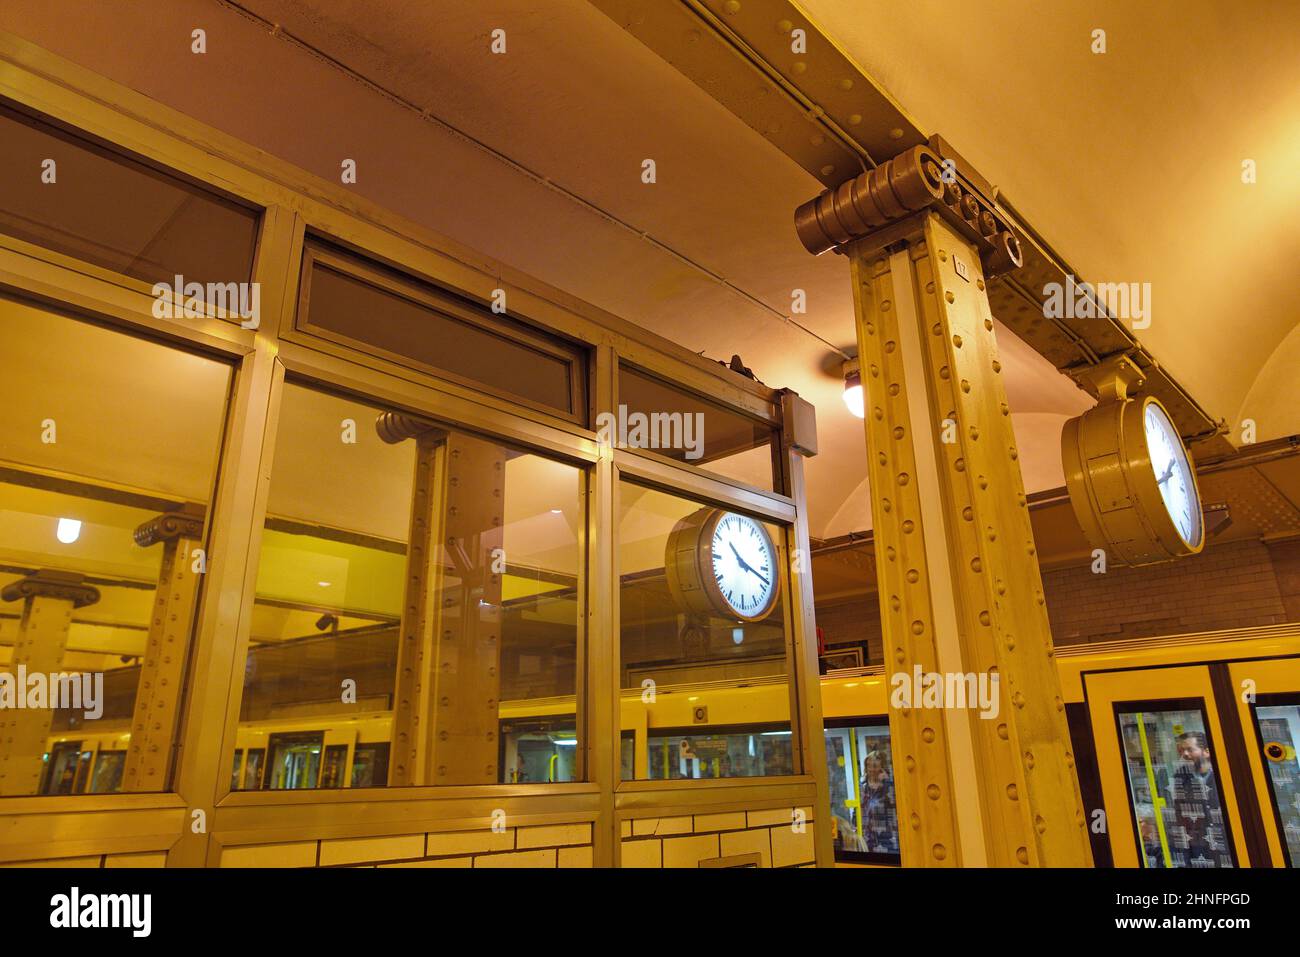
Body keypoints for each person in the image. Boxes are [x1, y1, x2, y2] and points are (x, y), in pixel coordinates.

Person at [1169, 730, 1227, 867]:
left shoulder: (1225, 773)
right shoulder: (1180, 776)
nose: (1185, 754)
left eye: (1190, 750)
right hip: (1198, 845)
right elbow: (1179, 812)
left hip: (1225, 843)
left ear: (1206, 751)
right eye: (1182, 750)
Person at [860, 750, 899, 854]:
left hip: (887, 837)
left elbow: (894, 806)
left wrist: (886, 782)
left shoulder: (889, 785)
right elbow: (860, 808)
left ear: (881, 768)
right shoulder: (863, 786)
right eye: (868, 766)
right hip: (869, 838)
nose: (871, 769)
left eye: (875, 766)